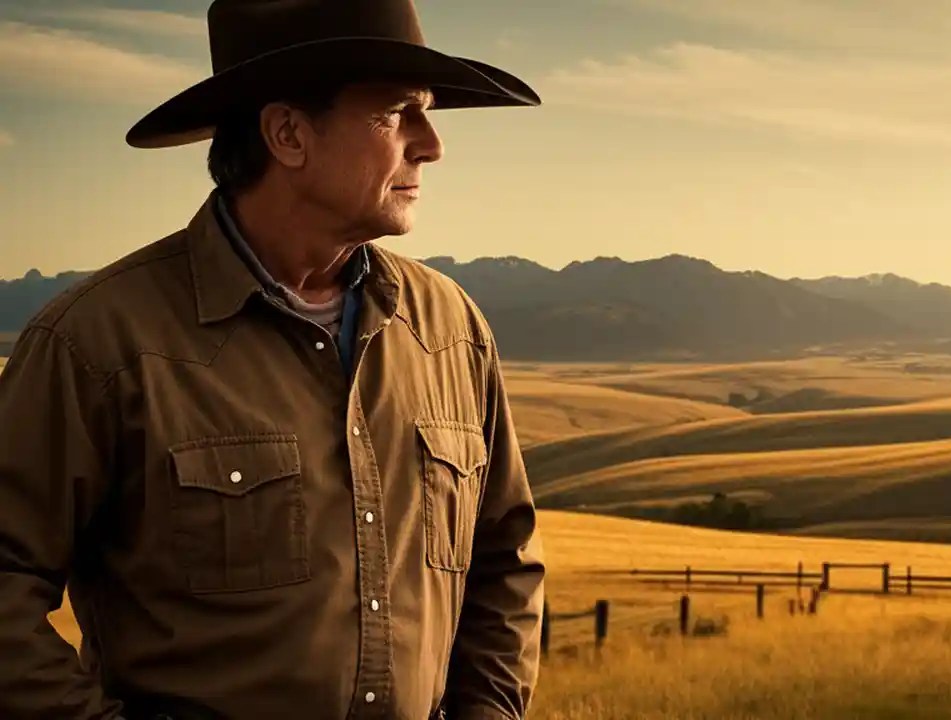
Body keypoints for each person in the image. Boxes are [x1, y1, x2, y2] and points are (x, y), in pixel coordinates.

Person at [0, 1, 546, 718]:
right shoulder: (98, 344)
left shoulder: (451, 330)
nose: (431, 145)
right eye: (397, 114)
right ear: (287, 134)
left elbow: (504, 559)